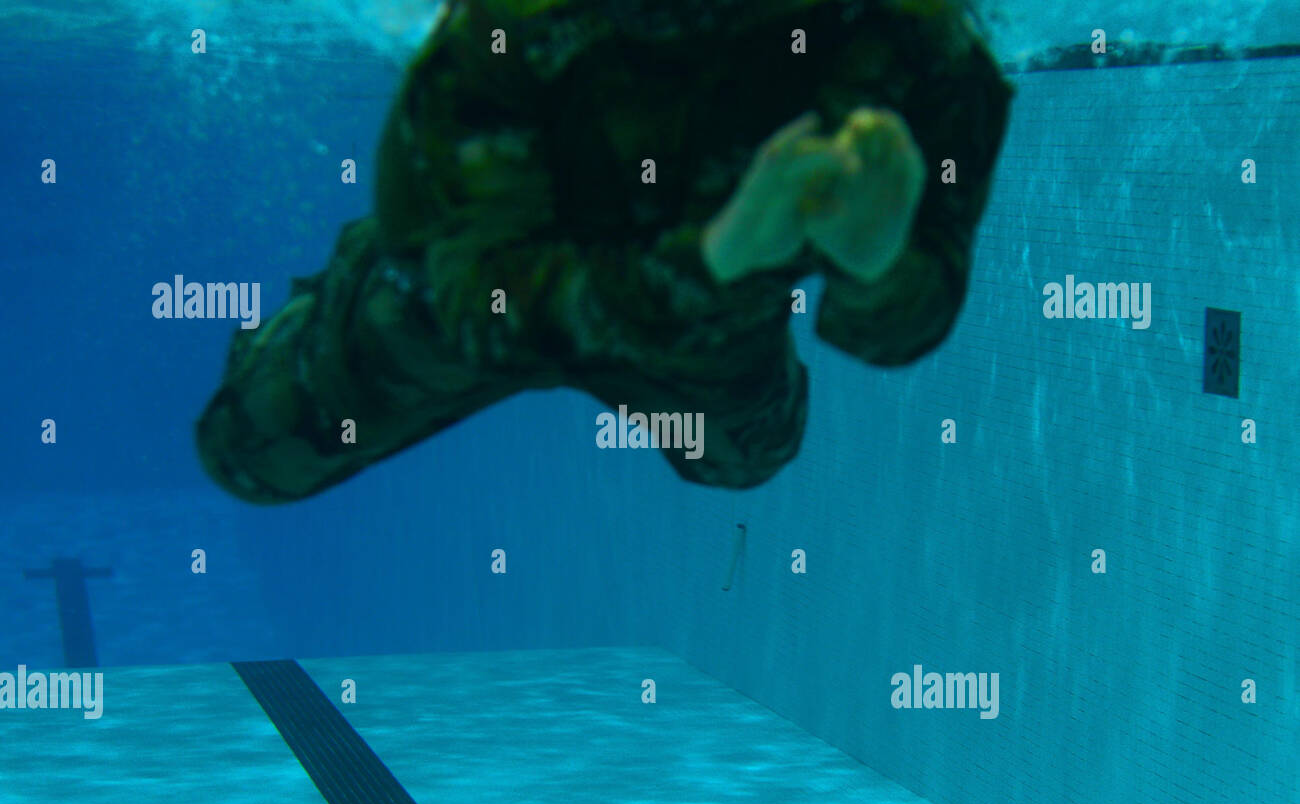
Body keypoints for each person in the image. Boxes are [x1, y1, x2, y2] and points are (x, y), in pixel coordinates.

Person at [196, 0, 1012, 504]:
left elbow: (902, 323)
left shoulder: (916, 49)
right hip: (489, 279)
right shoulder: (511, 29)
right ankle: (352, 283)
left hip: (710, 299)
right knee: (253, 455)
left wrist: (875, 266)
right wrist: (713, 261)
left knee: (748, 456)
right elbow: (487, 314)